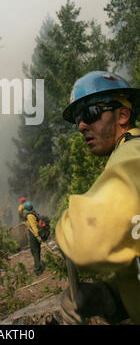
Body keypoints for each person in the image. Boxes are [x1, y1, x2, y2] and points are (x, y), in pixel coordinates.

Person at [55, 70, 140, 325]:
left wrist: (66, 226)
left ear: (123, 114)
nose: (81, 126)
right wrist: (108, 296)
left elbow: (89, 241)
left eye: (90, 113)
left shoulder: (133, 153)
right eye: (79, 119)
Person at [23, 201, 45, 275]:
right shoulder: (33, 213)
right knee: (36, 251)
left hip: (34, 234)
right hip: (34, 234)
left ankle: (37, 269)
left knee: (35, 251)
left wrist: (37, 236)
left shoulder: (30, 216)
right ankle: (38, 265)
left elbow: (34, 227)